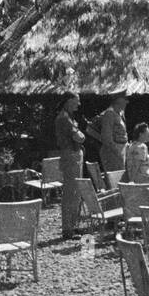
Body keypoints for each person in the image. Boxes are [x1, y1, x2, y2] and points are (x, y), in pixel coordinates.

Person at [55, 92, 86, 238]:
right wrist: (80, 134)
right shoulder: (64, 118)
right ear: (68, 101)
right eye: (76, 101)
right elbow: (78, 137)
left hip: (74, 155)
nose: (79, 104)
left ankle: (73, 225)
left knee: (76, 192)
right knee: (70, 192)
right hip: (70, 155)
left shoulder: (68, 117)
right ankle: (67, 229)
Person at [96, 92, 130, 176]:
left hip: (120, 151)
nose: (127, 102)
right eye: (125, 99)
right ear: (118, 100)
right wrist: (117, 152)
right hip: (112, 153)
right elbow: (107, 138)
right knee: (116, 178)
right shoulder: (109, 114)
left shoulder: (119, 113)